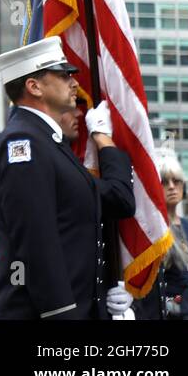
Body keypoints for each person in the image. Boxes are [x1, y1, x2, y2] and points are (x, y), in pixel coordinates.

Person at [0, 37, 135, 319]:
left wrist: (104, 139)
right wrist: (62, 313)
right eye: (63, 75)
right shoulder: (24, 143)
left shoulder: (52, 147)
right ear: (34, 86)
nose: (74, 83)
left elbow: (117, 201)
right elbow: (36, 241)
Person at [56, 104, 135, 319]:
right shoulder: (53, 159)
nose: (79, 114)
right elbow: (120, 200)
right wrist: (102, 138)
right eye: (67, 108)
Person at [133, 155, 188, 320]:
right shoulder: (151, 228)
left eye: (176, 181)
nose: (172, 187)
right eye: (164, 182)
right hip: (166, 312)